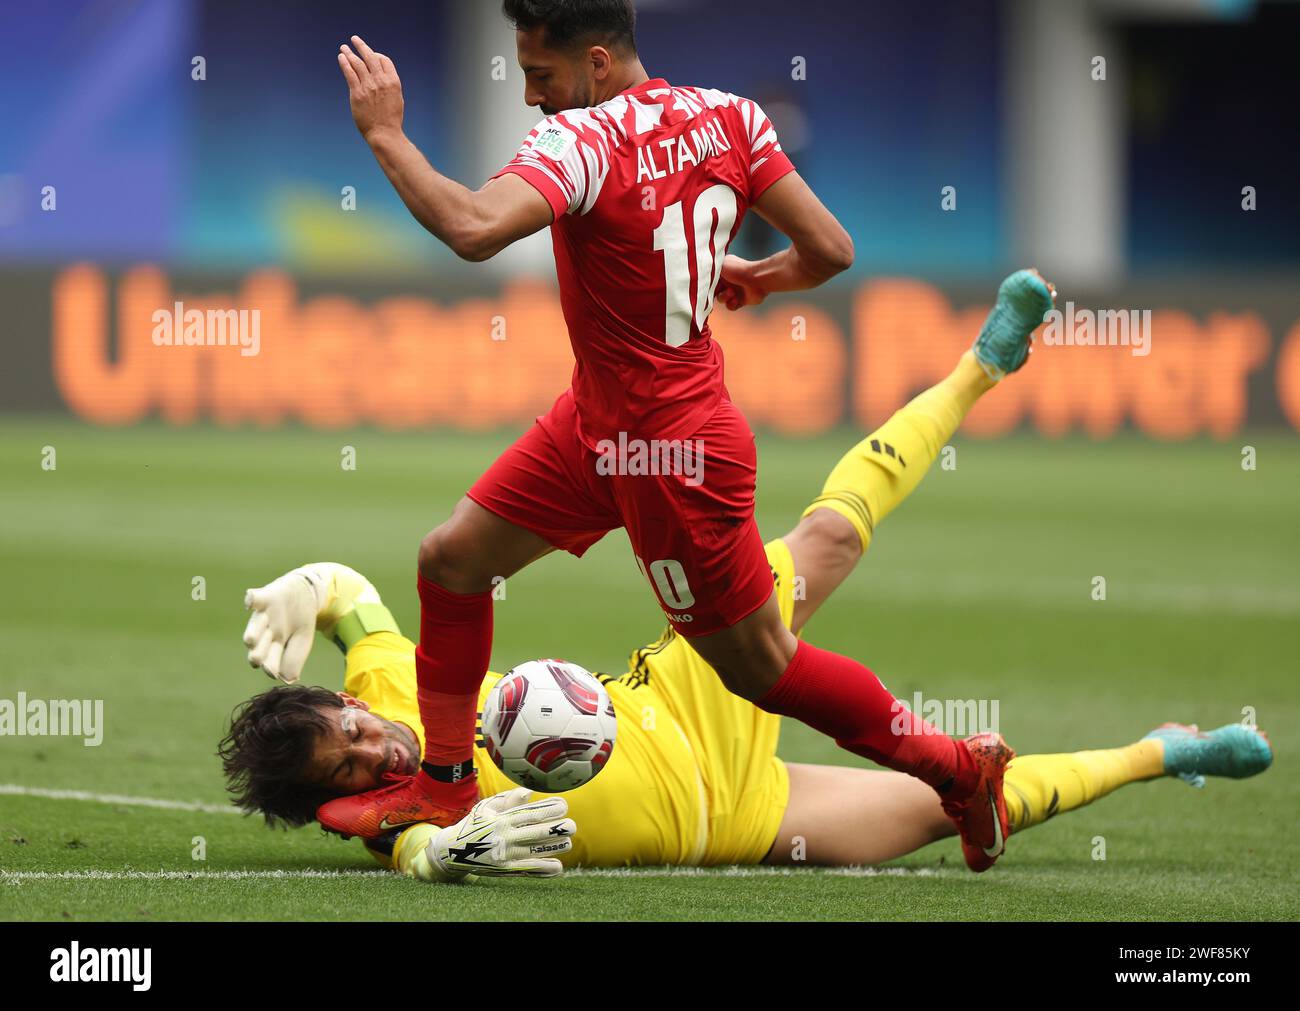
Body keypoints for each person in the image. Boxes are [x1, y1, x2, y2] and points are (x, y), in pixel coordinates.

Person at [313, 0, 1057, 871]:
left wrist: (386, 135)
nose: (529, 98)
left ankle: (959, 769)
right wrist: (755, 277)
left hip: (673, 456)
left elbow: (475, 227)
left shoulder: (581, 141)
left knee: (760, 666)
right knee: (451, 561)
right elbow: (831, 249)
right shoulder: (732, 116)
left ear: (595, 64)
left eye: (541, 76)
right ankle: (445, 783)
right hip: (596, 424)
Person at [226, 338, 1273, 881]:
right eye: (350, 767)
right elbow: (410, 849)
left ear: (344, 701)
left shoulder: (386, 681)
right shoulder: (391, 820)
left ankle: (977, 370)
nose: (371, 749)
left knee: (826, 540)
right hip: (739, 822)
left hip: (681, 702)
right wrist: (442, 857)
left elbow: (358, 602)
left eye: (350, 729)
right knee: (944, 805)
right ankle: (1162, 753)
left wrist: (303, 583)